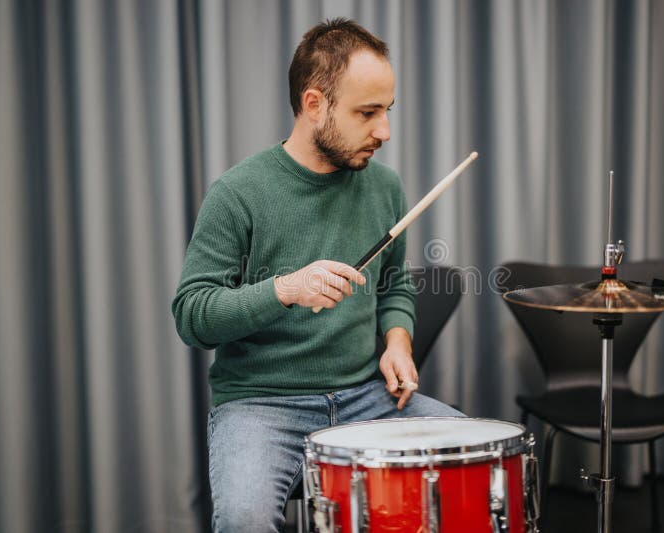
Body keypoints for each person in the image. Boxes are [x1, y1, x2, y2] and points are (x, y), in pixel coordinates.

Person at [172, 18, 462, 532]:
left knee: (472, 461)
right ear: (314, 105)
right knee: (244, 519)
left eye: (387, 111)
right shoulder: (238, 193)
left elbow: (395, 284)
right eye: (367, 113)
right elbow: (192, 316)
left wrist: (398, 341)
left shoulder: (384, 187)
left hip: (368, 397)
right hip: (262, 404)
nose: (385, 132)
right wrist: (285, 289)